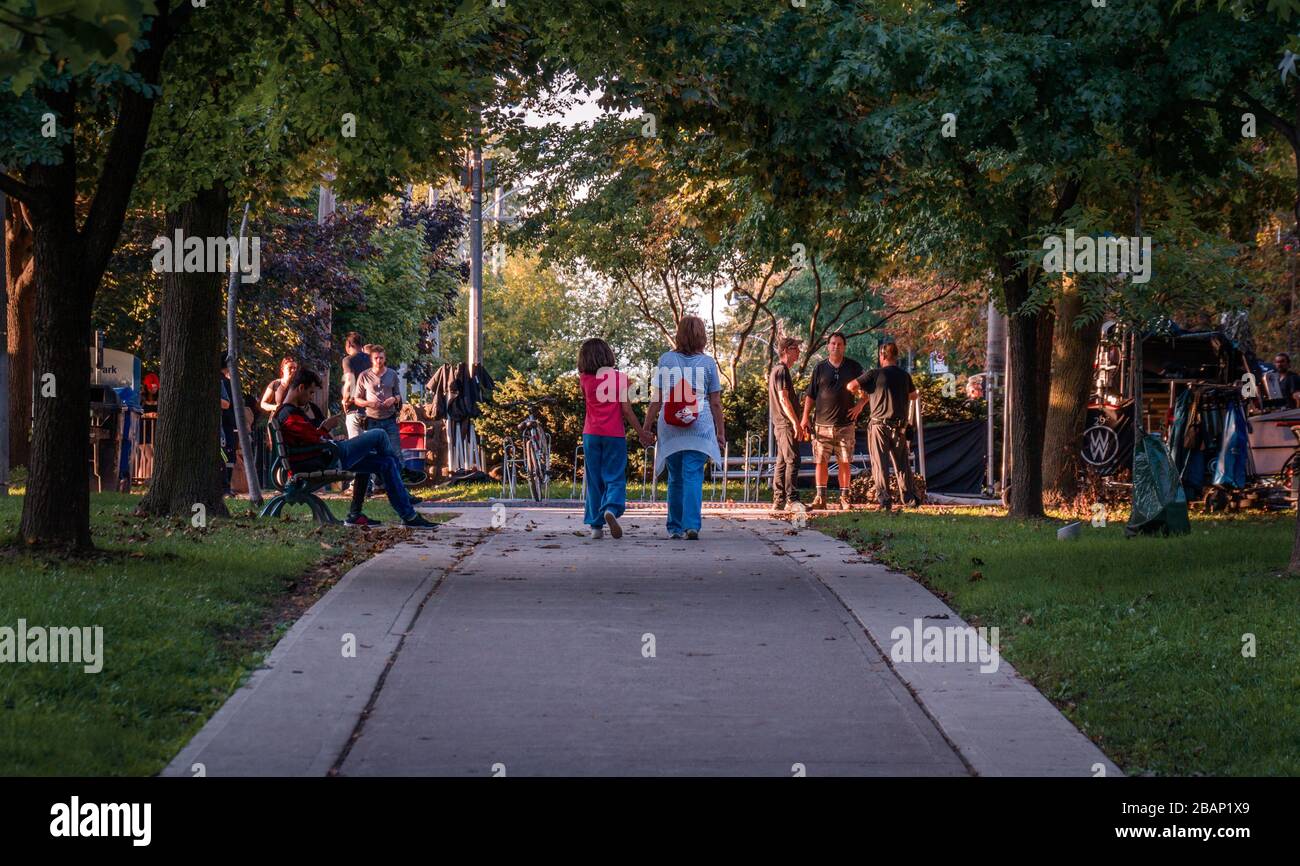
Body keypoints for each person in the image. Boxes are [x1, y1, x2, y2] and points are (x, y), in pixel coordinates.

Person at [275, 368, 437, 529]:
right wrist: (325, 428)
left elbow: (309, 440)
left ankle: (408, 516)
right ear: (301, 388)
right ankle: (402, 472)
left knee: (386, 462)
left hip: (325, 456)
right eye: (310, 393)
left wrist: (330, 436)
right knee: (379, 434)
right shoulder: (290, 415)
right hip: (326, 459)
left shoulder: (289, 413)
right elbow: (315, 439)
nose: (310, 398)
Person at [642, 315, 725, 540]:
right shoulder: (708, 363)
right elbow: (715, 402)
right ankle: (692, 526)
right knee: (693, 475)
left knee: (675, 477)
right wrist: (720, 433)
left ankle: (675, 527)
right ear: (701, 336)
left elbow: (656, 399)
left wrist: (646, 427)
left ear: (679, 334)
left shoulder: (666, 360)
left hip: (670, 426)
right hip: (699, 425)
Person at [578, 338, 643, 539]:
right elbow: (626, 410)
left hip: (591, 434)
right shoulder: (621, 379)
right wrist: (642, 432)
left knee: (594, 480)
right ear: (608, 355)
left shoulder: (584, 379)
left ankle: (596, 527)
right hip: (614, 435)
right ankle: (611, 510)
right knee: (614, 476)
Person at [847, 341, 921, 513]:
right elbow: (914, 395)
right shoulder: (904, 376)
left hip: (879, 425)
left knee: (880, 463)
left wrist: (863, 394)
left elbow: (850, 386)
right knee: (902, 464)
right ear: (896, 356)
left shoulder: (874, 374)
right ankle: (909, 498)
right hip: (899, 427)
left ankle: (885, 500)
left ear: (882, 356)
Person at [799, 332, 864, 510]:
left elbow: (868, 390)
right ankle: (821, 498)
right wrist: (805, 417)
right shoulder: (819, 368)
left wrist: (860, 405)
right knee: (820, 462)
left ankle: (844, 498)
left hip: (845, 425)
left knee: (845, 462)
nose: (836, 346)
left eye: (840, 344)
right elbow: (810, 395)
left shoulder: (854, 367)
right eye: (833, 343)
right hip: (821, 425)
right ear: (828, 346)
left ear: (844, 346)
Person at [768, 336, 805, 513]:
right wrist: (795, 423)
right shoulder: (781, 371)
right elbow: (784, 399)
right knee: (793, 460)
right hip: (784, 424)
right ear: (786, 350)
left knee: (782, 461)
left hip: (781, 424)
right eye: (795, 348)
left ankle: (779, 500)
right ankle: (792, 499)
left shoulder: (778, 370)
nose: (798, 352)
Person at [354, 345, 403, 455]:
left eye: (381, 358)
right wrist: (369, 403)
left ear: (385, 359)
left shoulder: (392, 374)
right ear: (371, 359)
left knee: (395, 452)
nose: (378, 360)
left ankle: (399, 471)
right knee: (372, 453)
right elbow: (357, 399)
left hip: (390, 419)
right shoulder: (364, 376)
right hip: (372, 420)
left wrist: (393, 399)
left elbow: (398, 395)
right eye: (376, 358)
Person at [341, 332, 371, 440]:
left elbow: (350, 380)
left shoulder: (348, 360)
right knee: (370, 449)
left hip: (355, 411)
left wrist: (345, 400)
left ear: (349, 344)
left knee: (356, 448)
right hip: (372, 412)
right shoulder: (373, 360)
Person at [220, 354, 238, 497]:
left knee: (228, 455)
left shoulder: (227, 381)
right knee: (226, 455)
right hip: (225, 424)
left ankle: (226, 485)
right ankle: (225, 486)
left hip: (227, 423)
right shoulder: (224, 382)